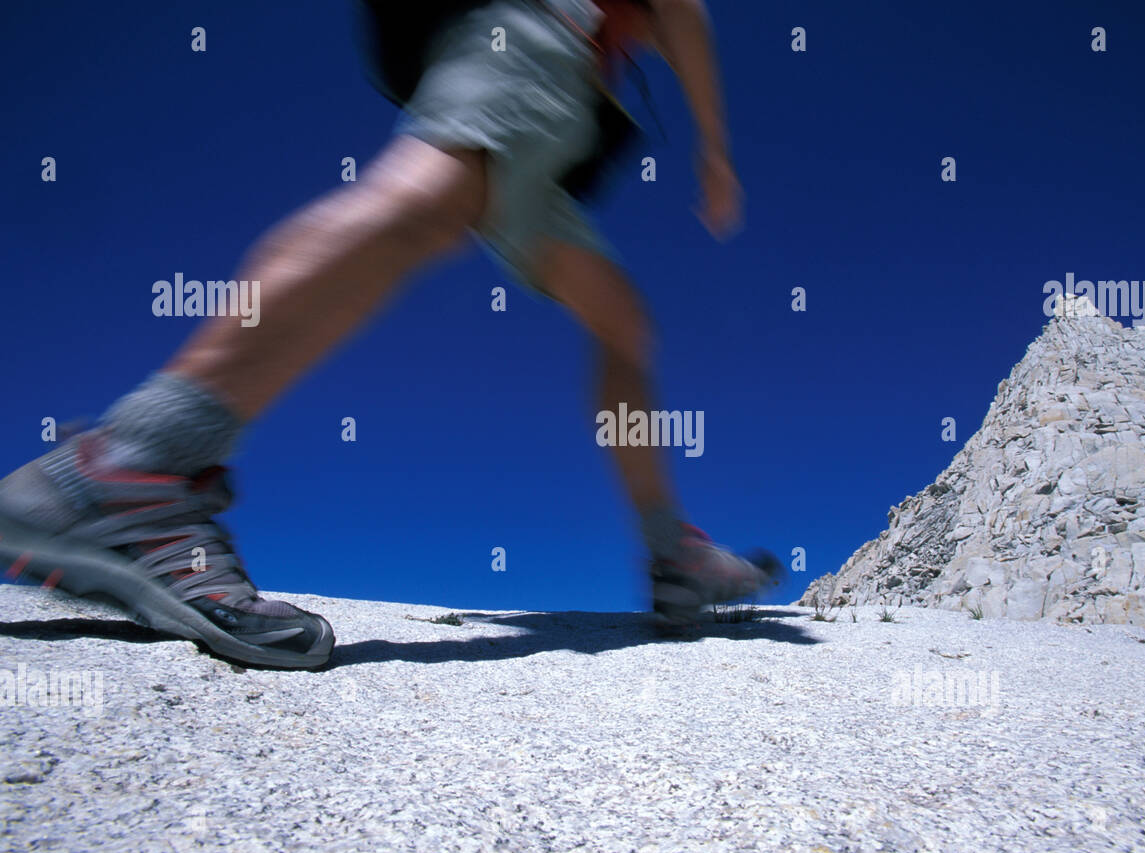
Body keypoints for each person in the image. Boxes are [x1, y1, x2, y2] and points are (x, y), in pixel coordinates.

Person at [0, 0, 776, 669]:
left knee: (621, 320)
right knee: (427, 198)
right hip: (538, 39)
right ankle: (137, 463)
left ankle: (671, 551)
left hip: (549, 121)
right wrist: (714, 147)